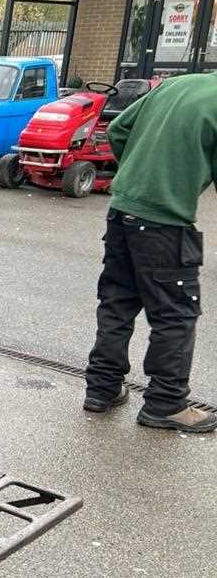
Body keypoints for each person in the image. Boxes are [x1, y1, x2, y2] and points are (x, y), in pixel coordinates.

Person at [84, 72, 215, 433]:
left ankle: (102, 389)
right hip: (166, 223)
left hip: (122, 211)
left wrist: (139, 176)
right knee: (176, 313)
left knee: (117, 301)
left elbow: (119, 128)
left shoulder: (178, 83)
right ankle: (166, 404)